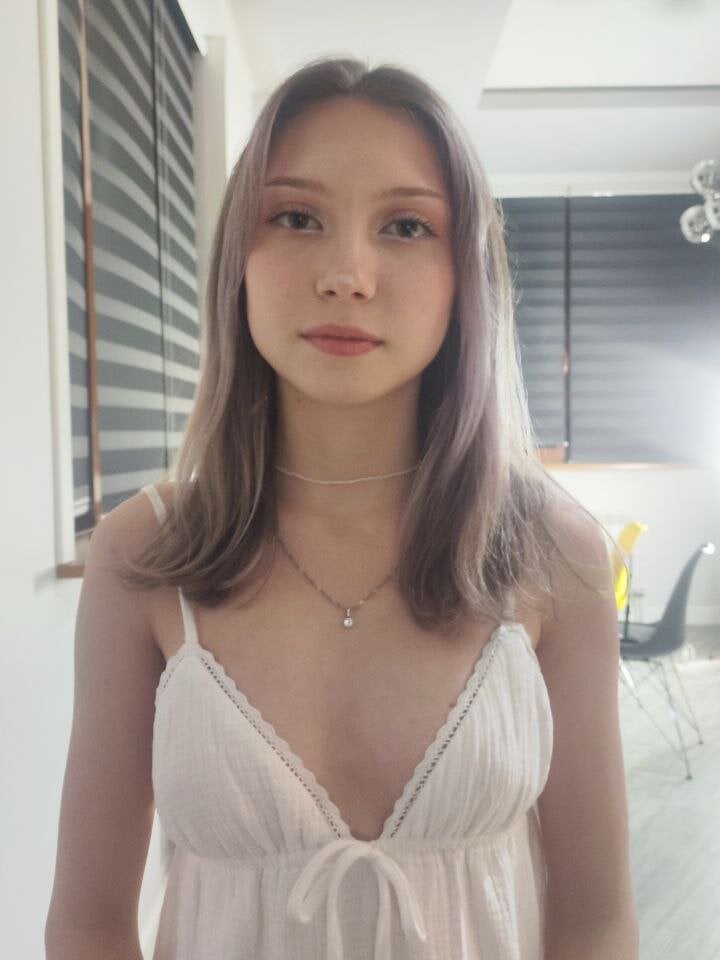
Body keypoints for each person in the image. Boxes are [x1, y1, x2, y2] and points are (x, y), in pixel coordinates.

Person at [45, 56, 639, 960]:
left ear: (464, 276)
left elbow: (594, 919)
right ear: (239, 259)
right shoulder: (144, 554)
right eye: (296, 217)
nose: (348, 275)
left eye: (405, 226)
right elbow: (88, 922)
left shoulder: (553, 551)